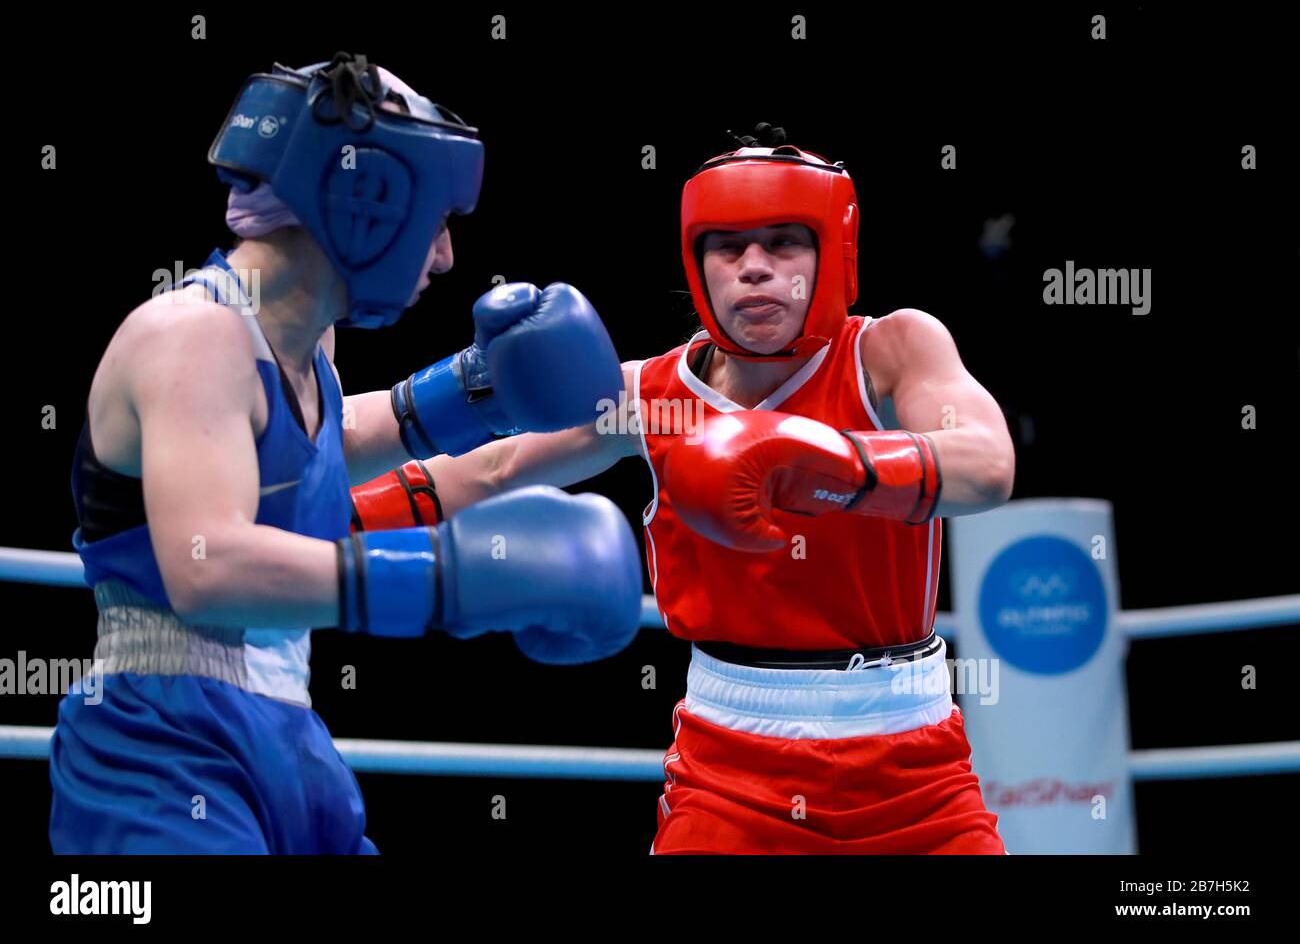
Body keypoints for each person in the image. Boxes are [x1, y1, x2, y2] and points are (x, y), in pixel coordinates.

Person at [49, 52, 642, 854]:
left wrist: (473, 393)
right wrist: (449, 578)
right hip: (157, 751)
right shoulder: (192, 336)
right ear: (368, 202)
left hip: (286, 729)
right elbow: (206, 567)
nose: (444, 258)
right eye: (437, 222)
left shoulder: (300, 343)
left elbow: (315, 442)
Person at [371, 122, 1017, 853]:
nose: (754, 267)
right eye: (728, 246)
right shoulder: (655, 395)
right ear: (696, 259)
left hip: (915, 767)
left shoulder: (891, 351)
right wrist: (317, 512)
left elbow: (987, 461)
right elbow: (489, 469)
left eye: (783, 241)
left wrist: (832, 463)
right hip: (731, 769)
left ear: (831, 251)